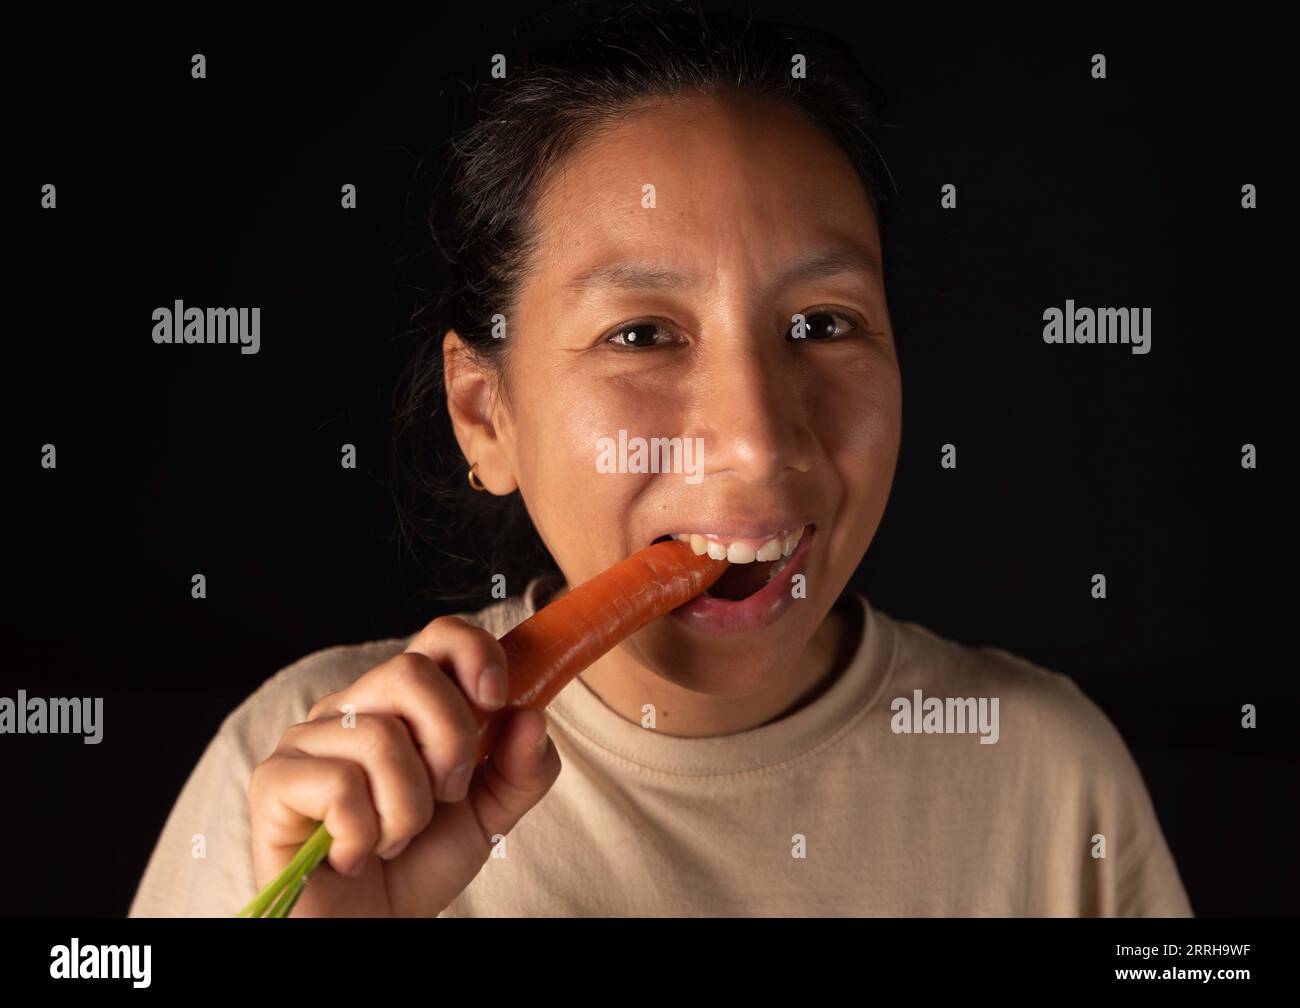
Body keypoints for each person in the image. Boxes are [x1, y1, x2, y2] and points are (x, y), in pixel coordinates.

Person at [128, 1, 1192, 917]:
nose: (757, 439)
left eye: (823, 324)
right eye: (640, 334)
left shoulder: (1052, 778)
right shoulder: (305, 770)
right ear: (484, 414)